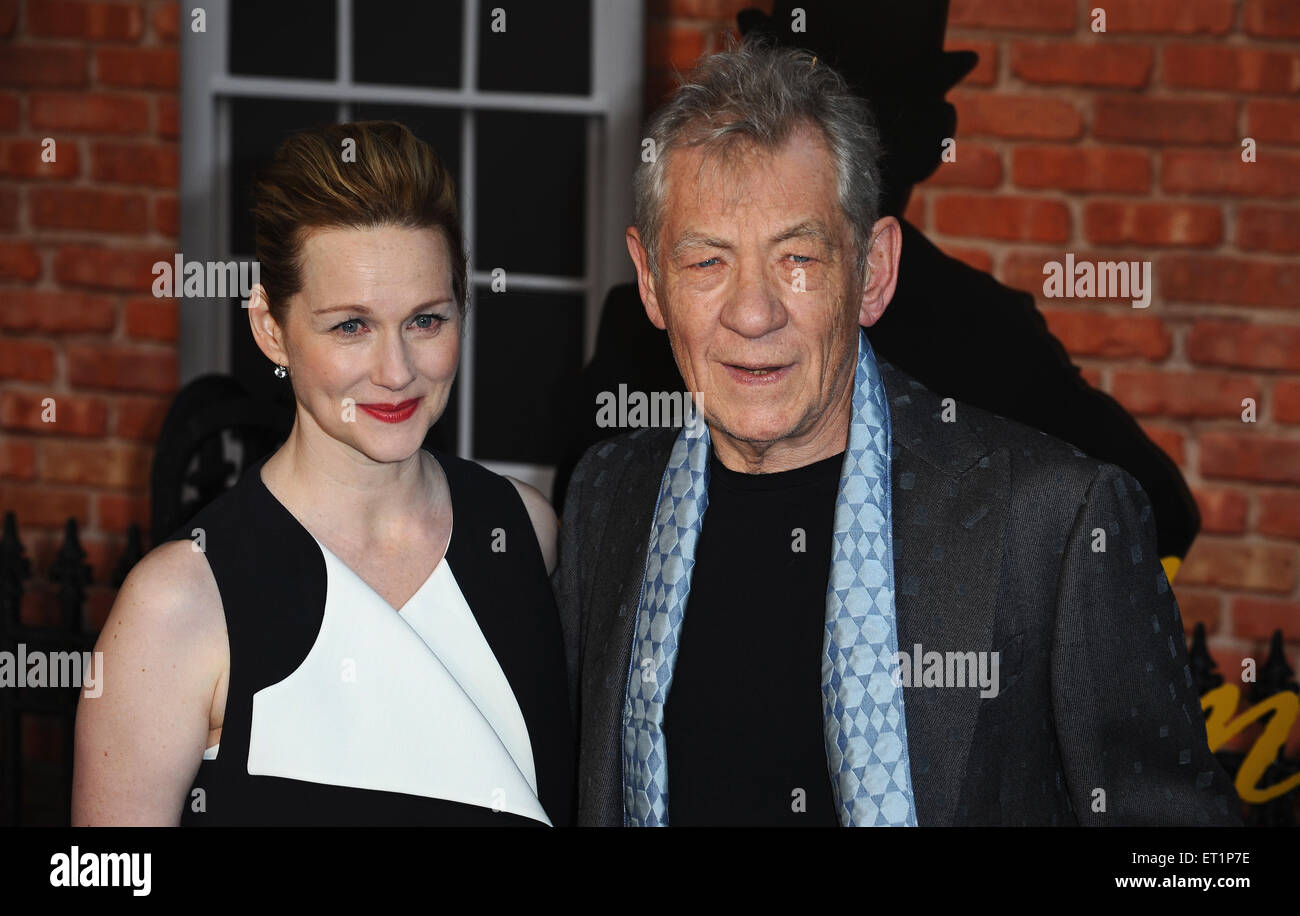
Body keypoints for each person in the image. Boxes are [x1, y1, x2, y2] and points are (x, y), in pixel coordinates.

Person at [553, 43, 1241, 826]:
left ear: (873, 272)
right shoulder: (608, 499)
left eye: (799, 258)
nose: (753, 313)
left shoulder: (1054, 522)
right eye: (707, 261)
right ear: (651, 281)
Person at [552, 0, 1201, 584]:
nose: (753, 315)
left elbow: (1150, 509)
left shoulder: (985, 333)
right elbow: (586, 553)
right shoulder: (649, 336)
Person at [71, 121, 574, 826]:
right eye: (350, 327)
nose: (397, 371)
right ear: (270, 328)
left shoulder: (527, 532)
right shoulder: (177, 605)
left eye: (426, 320)